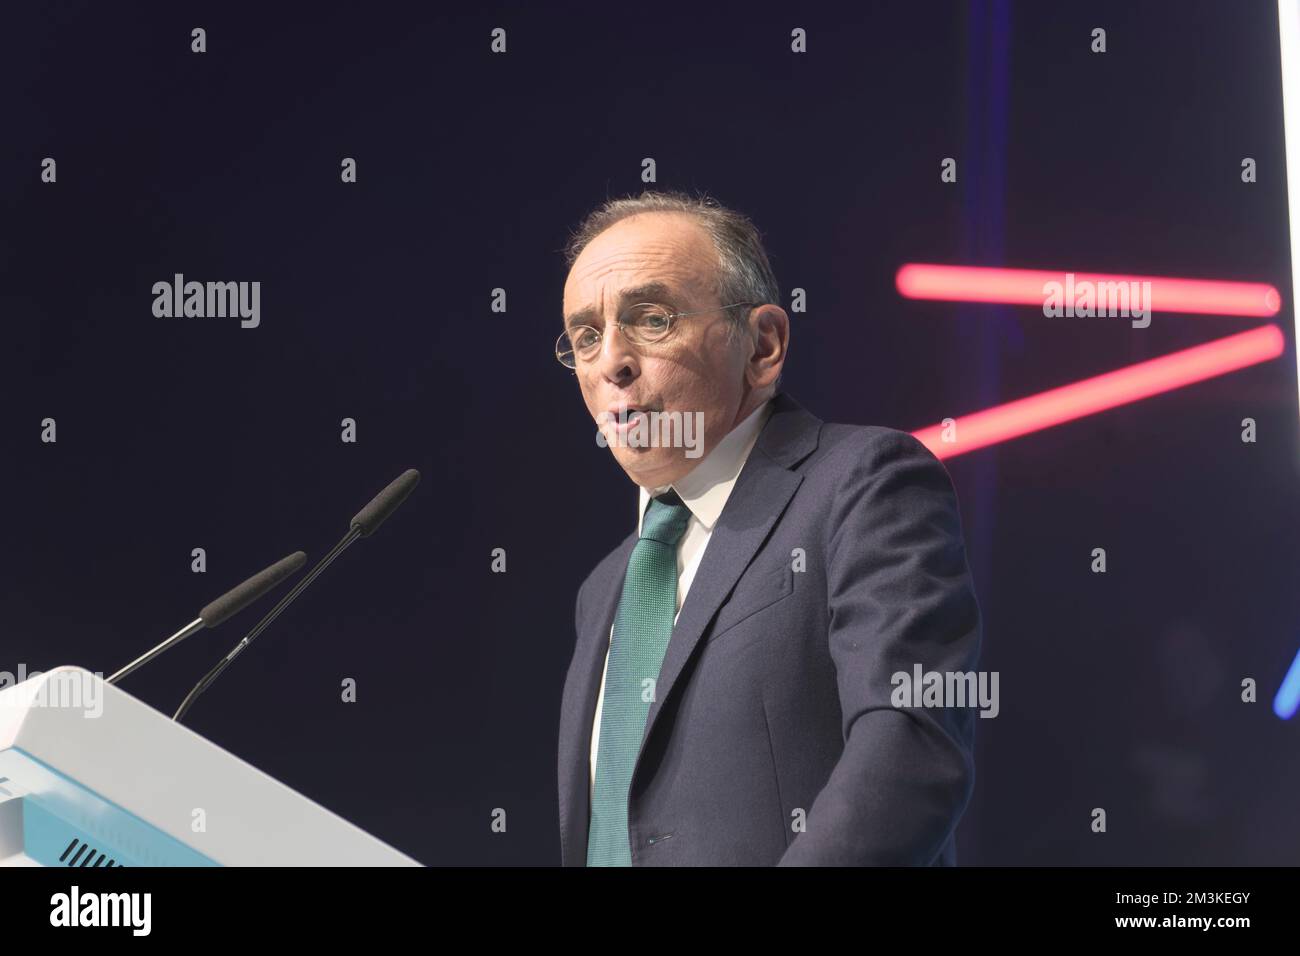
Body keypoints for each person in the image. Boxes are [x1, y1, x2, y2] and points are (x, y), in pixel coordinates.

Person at [556, 190, 982, 865]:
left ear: (763, 345)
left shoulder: (863, 485)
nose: (611, 361)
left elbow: (911, 745)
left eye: (652, 319)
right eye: (585, 336)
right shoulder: (601, 589)